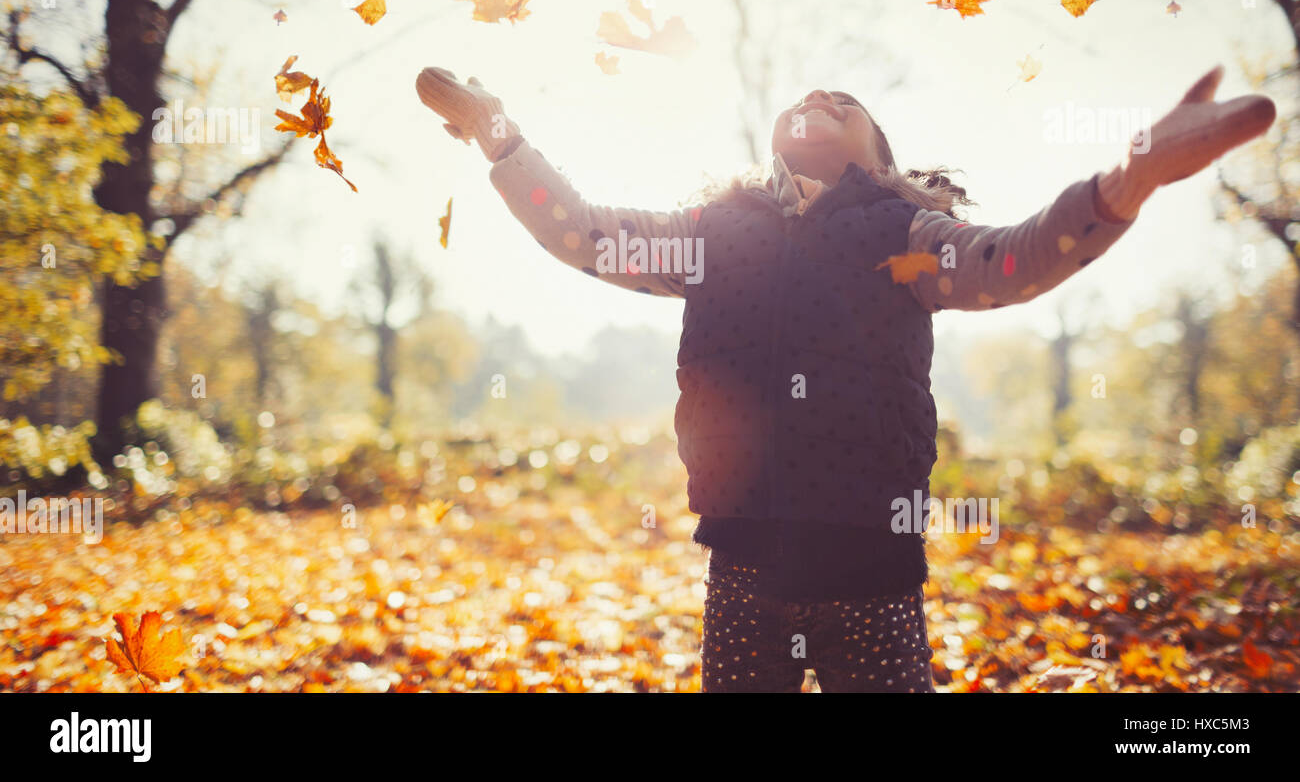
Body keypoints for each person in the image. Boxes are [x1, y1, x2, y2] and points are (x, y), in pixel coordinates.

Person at [415, 64, 1275, 692]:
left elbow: (1010, 260)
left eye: (845, 103)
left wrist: (1125, 183)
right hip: (742, 564)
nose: (818, 99)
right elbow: (587, 235)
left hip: (872, 567)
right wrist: (499, 136)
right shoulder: (714, 232)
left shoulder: (908, 233)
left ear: (882, 156)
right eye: (804, 100)